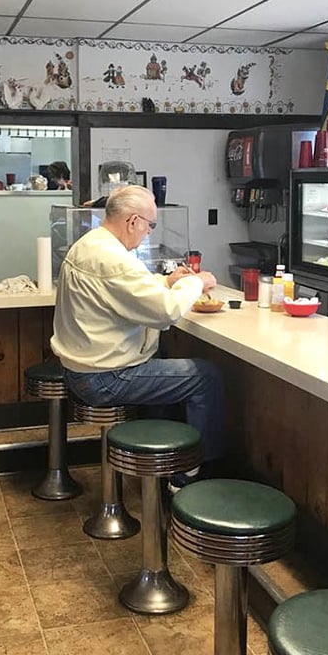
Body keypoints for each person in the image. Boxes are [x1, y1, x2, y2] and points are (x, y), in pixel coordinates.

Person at [51, 184, 224, 491]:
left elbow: (126, 290)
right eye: (149, 224)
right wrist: (197, 282)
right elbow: (167, 311)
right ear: (132, 221)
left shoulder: (89, 244)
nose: (148, 232)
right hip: (103, 378)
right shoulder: (114, 259)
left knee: (160, 359)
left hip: (80, 370)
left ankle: (161, 460)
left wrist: (167, 281)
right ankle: (193, 476)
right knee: (205, 376)